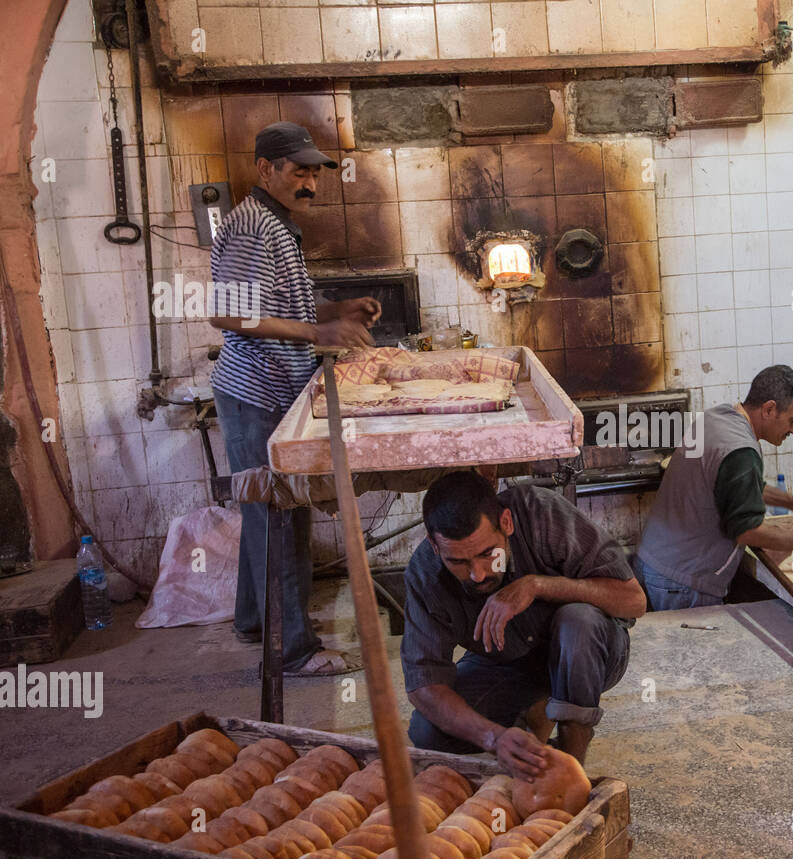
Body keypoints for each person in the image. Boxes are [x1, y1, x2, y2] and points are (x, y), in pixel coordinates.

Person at [208, 121, 379, 677]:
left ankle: (256, 622)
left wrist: (339, 310)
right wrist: (316, 335)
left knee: (265, 508)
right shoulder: (252, 225)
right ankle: (292, 650)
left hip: (272, 391)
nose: (310, 184)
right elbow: (228, 313)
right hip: (255, 393)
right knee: (280, 514)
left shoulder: (276, 224)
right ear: (265, 169)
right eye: (298, 172)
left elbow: (285, 308)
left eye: (313, 174)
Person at [402, 470, 645, 772]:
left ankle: (569, 767)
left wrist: (538, 585)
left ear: (506, 523)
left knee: (577, 618)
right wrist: (493, 737)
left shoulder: (542, 514)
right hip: (507, 662)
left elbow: (634, 601)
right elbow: (424, 685)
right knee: (428, 731)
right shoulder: (425, 574)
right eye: (458, 562)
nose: (477, 574)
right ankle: (534, 709)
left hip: (590, 651)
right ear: (434, 544)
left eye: (488, 554)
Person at [634, 364, 793, 611]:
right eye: (792, 420)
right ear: (769, 409)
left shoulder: (716, 418)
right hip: (682, 581)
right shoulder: (740, 449)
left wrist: (792, 502)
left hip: (654, 561)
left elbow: (731, 486)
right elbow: (747, 531)